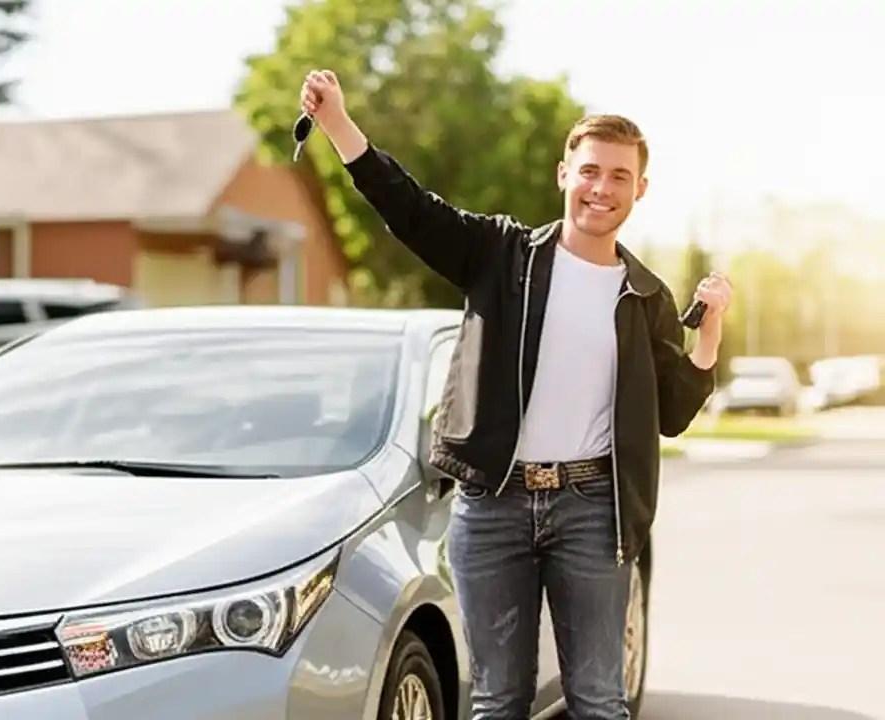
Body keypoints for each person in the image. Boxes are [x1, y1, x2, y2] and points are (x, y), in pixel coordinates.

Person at [299, 69, 732, 719]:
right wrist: (337, 123)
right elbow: (410, 210)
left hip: (593, 510)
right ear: (564, 175)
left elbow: (672, 413)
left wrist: (711, 332)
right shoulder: (501, 256)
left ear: (640, 189)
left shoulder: (646, 297)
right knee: (498, 701)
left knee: (599, 700)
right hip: (493, 506)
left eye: (619, 176)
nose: (602, 188)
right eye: (590, 171)